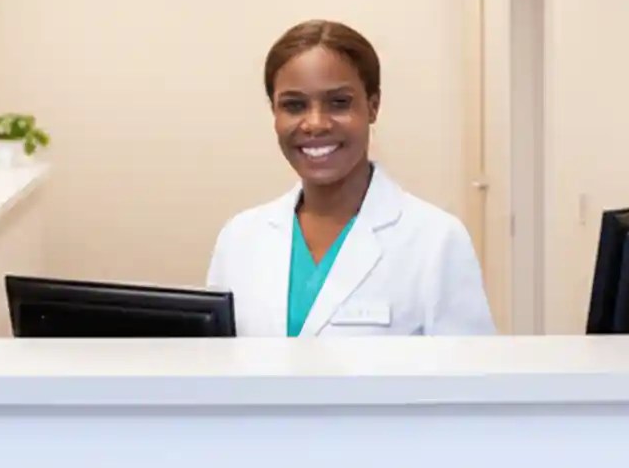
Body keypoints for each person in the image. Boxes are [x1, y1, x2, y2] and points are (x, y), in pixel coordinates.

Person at [207, 19, 496, 337]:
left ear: (373, 107)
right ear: (274, 113)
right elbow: (219, 372)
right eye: (294, 106)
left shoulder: (436, 240)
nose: (315, 123)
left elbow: (467, 381)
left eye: (339, 103)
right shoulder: (240, 239)